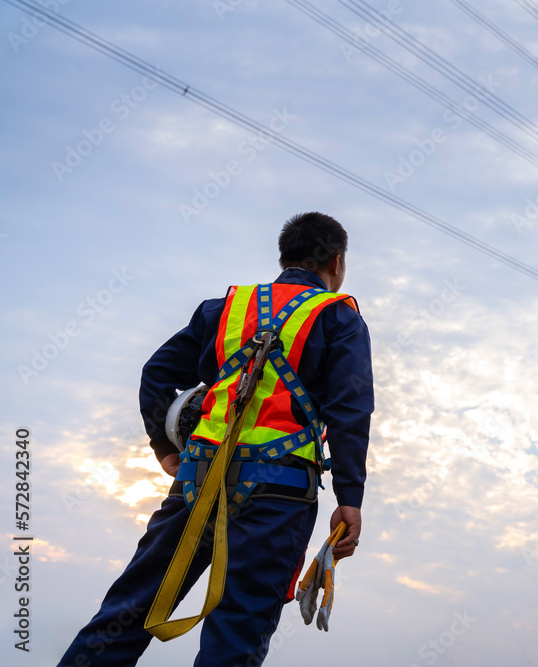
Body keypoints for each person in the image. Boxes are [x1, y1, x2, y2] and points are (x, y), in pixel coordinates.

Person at [58, 212, 375, 666]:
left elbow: (157, 374)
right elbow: (350, 411)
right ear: (337, 263)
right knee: (237, 632)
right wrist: (350, 496)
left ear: (284, 257)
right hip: (278, 495)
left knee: (128, 612)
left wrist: (166, 449)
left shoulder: (224, 308)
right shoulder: (338, 317)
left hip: (196, 483)